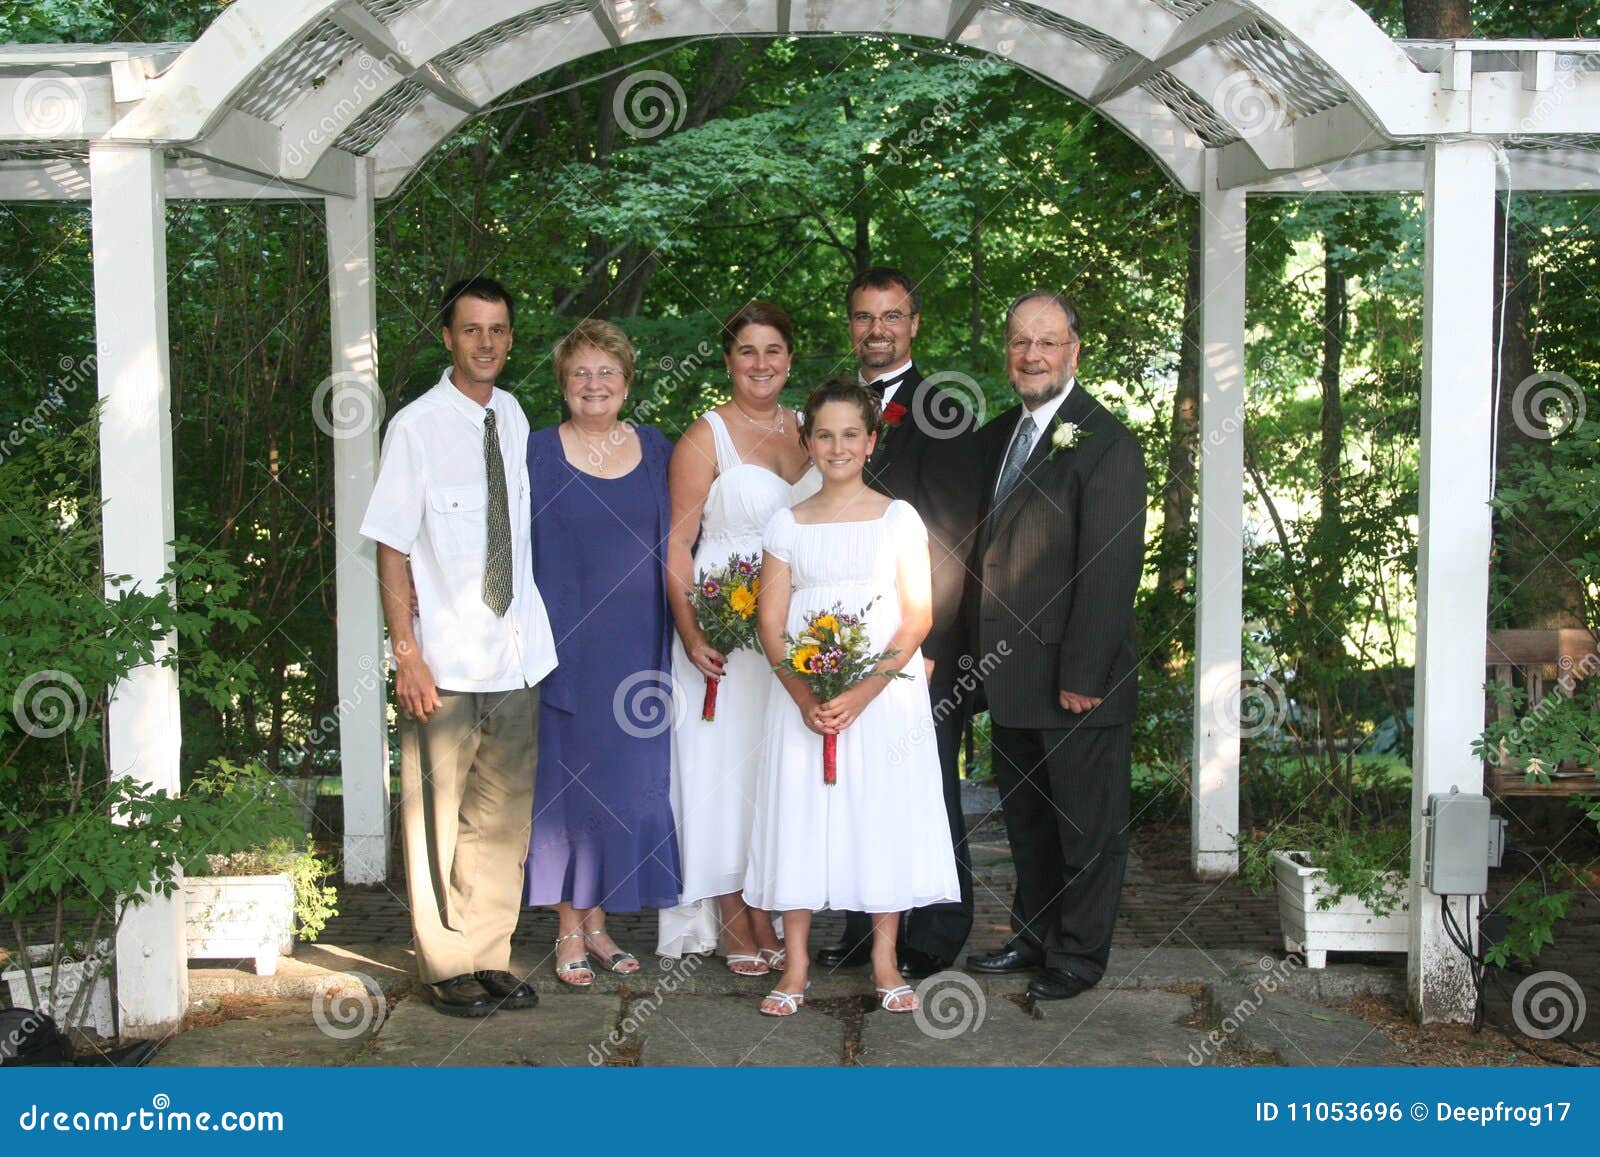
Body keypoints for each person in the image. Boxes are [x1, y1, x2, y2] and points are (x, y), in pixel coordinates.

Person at [360, 276, 556, 1018]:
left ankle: (487, 954)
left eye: (498, 329)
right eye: (471, 329)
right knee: (435, 816)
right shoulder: (414, 426)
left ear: (510, 338)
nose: (485, 342)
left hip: (515, 652)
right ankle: (444, 965)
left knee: (502, 816)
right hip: (441, 658)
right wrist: (405, 652)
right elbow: (390, 545)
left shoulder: (512, 414)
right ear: (448, 336)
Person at [744, 381, 960, 1017]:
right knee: (801, 813)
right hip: (804, 697)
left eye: (850, 435)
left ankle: (885, 958)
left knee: (880, 812)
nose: (837, 446)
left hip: (882, 697)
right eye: (824, 435)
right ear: (807, 443)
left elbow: (916, 618)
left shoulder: (898, 518)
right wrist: (805, 696)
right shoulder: (786, 522)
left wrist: (862, 694)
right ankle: (797, 962)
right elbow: (770, 622)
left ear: (870, 442)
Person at [964, 291, 1147, 1001]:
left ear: (1075, 350)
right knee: (1030, 825)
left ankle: (1077, 955)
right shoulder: (1001, 433)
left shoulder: (1105, 442)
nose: (1032, 354)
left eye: (1048, 341)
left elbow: (1109, 566)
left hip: (1073, 677)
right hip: (1012, 676)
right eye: (1020, 341)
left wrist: (1084, 672)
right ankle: (1033, 935)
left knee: (1086, 828)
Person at [816, 266, 979, 979]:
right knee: (859, 786)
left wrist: (936, 645)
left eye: (891, 316)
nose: (876, 329)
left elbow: (955, 535)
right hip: (846, 643)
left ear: (913, 324)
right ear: (850, 325)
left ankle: (935, 933)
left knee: (928, 787)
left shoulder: (941, 406)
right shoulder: (831, 407)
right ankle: (860, 928)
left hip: (917, 644)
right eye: (863, 317)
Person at [656, 301, 818, 972]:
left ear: (789, 358)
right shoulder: (705, 435)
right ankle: (729, 911)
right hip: (722, 627)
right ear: (727, 360)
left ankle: (766, 900)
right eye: (747, 351)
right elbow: (675, 545)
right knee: (718, 768)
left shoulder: (813, 429)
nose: (761, 363)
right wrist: (692, 632)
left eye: (773, 350)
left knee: (773, 770)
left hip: (790, 633)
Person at [522, 318, 681, 987]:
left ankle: (600, 922)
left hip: (640, 646)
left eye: (607, 372)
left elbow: (686, 539)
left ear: (627, 380)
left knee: (625, 791)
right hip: (563, 648)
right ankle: (568, 928)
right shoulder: (533, 450)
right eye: (581, 372)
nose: (594, 384)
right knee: (567, 791)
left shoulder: (658, 447)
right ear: (563, 381)